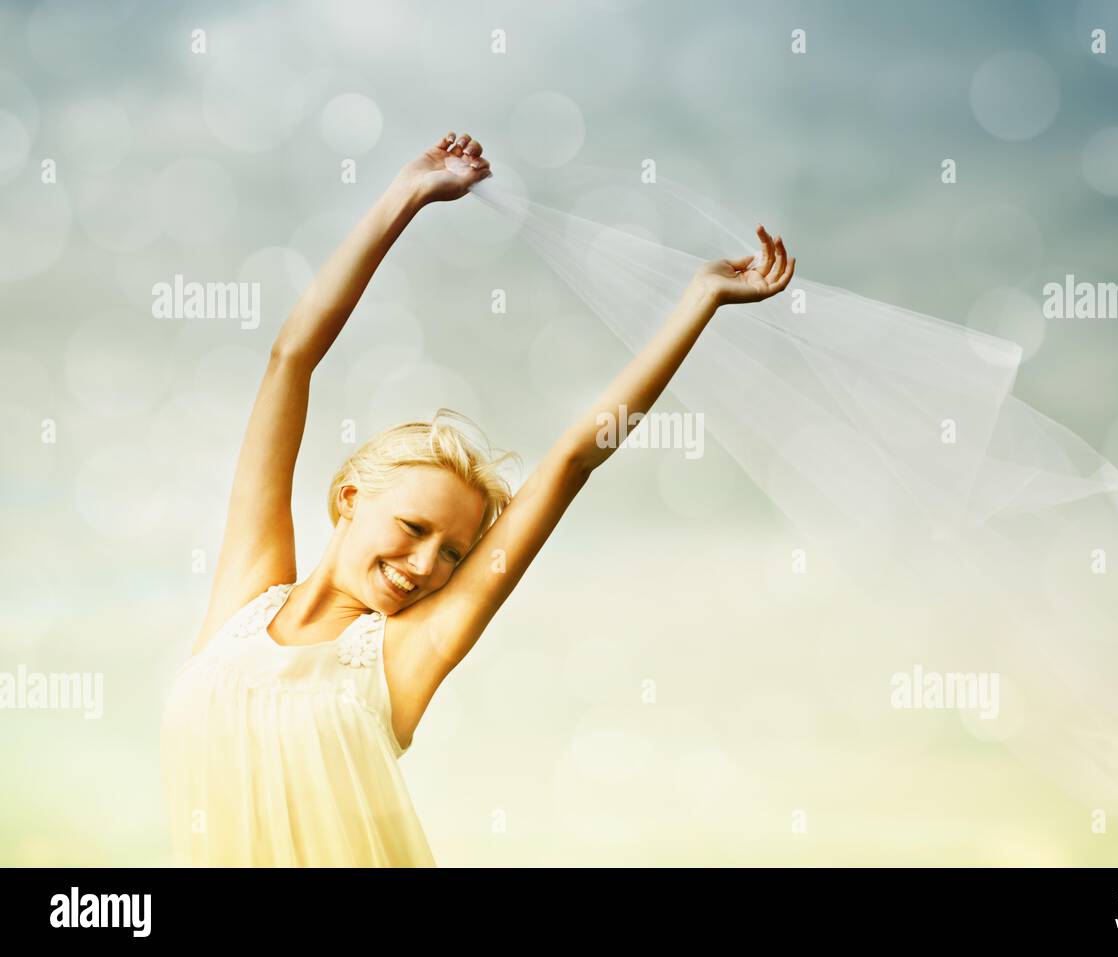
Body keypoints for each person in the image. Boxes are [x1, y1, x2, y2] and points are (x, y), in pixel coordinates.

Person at [159, 131, 795, 866]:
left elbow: (569, 463)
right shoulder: (243, 602)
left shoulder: (401, 654)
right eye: (413, 525)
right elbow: (290, 357)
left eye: (454, 551)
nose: (427, 564)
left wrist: (702, 300)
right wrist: (407, 195)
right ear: (348, 497)